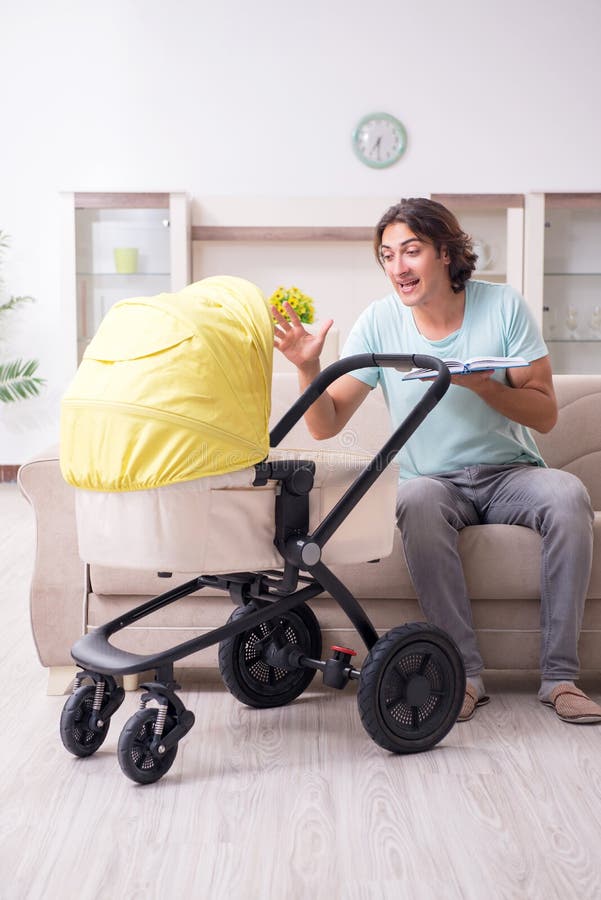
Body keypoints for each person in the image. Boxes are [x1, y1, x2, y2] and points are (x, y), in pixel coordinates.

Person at [272, 197, 601, 725]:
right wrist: (309, 366)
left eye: (411, 250)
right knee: (415, 497)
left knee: (568, 495)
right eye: (387, 255)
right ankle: (462, 676)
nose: (398, 266)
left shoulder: (503, 307)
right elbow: (325, 423)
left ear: (445, 252)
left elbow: (545, 414)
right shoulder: (380, 322)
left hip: (509, 473)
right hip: (435, 481)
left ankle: (560, 679)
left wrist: (482, 387)